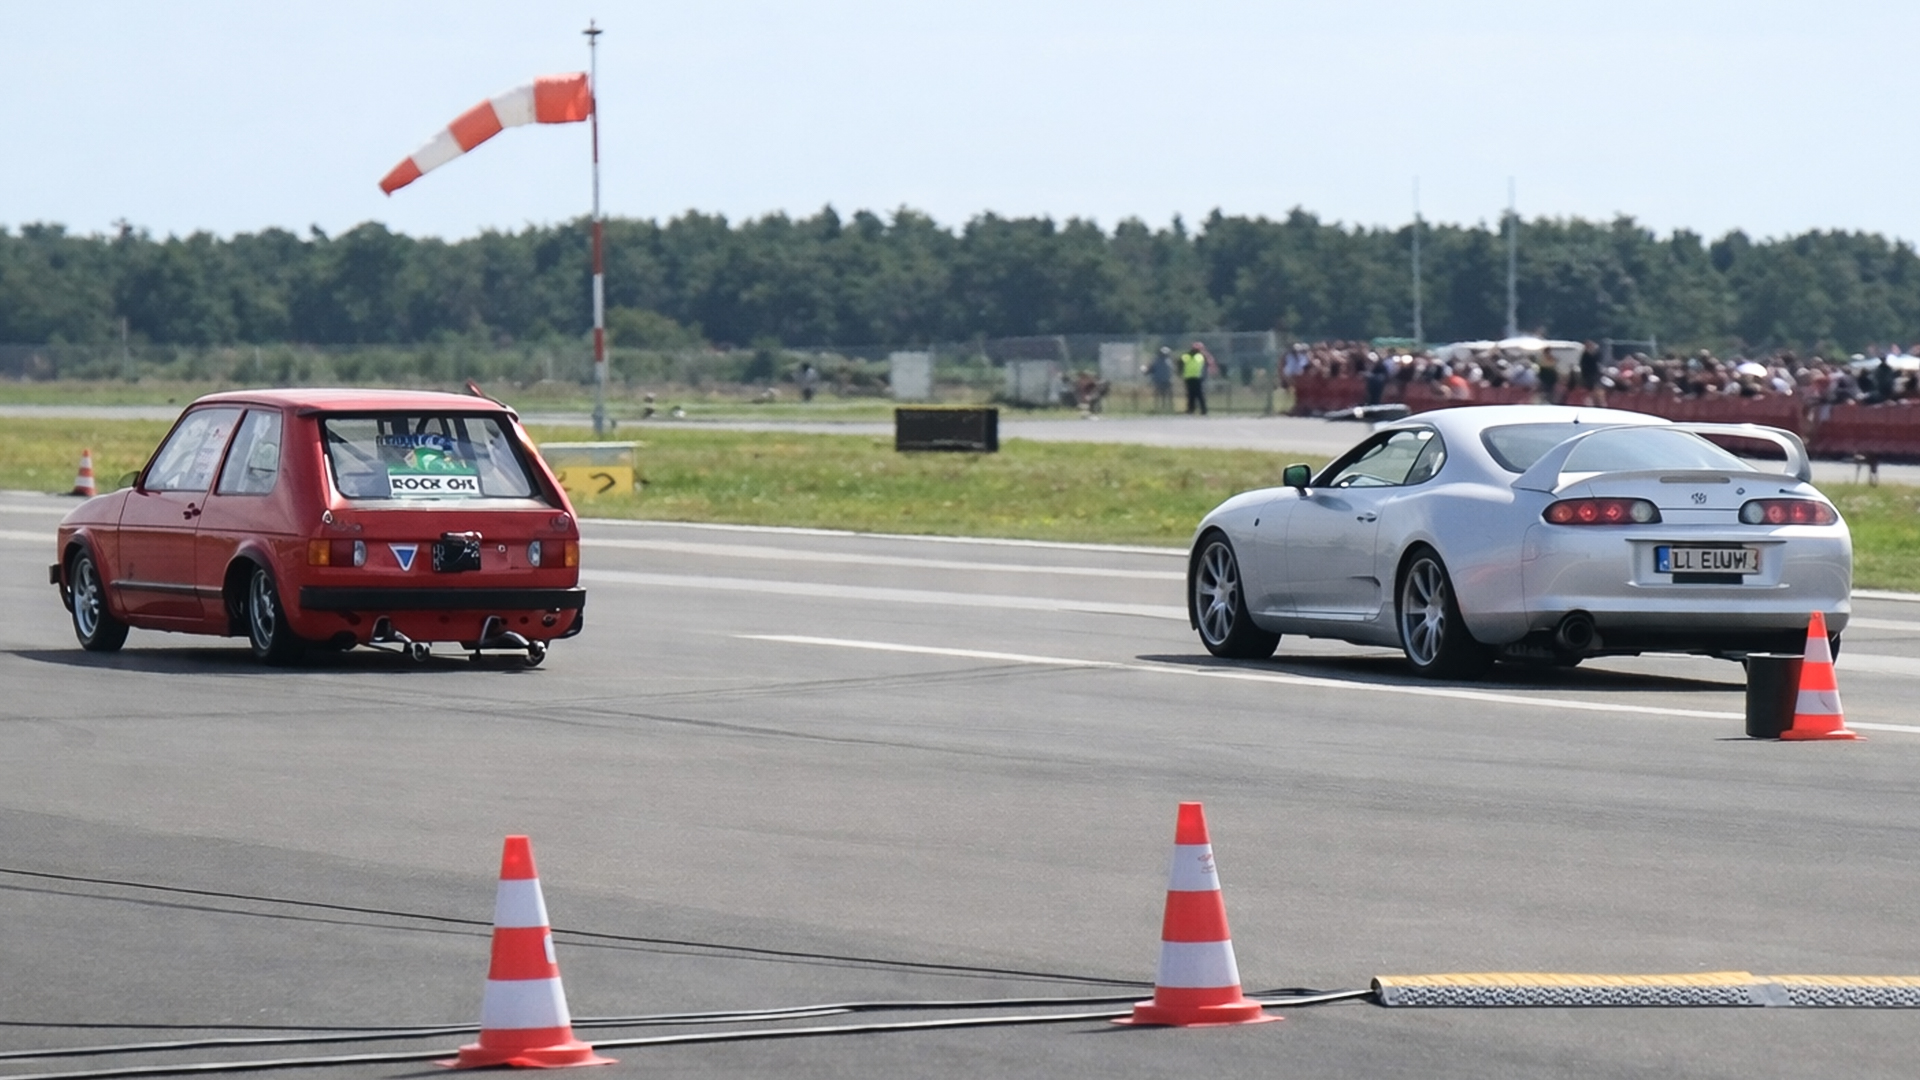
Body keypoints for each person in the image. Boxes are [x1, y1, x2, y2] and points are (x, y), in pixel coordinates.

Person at [1179, 341, 1215, 415]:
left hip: (1195, 377)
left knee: (1198, 394)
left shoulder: (1194, 356)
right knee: (1192, 394)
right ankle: (1192, 410)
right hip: (1191, 377)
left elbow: (1209, 361)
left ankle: (1200, 410)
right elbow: (1180, 362)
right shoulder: (1197, 356)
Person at [1146, 347, 1175, 412]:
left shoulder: (1169, 361)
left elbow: (1171, 371)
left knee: (1167, 395)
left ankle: (1168, 408)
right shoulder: (1156, 361)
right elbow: (1151, 369)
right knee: (1158, 395)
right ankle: (1158, 408)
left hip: (1167, 380)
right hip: (1159, 380)